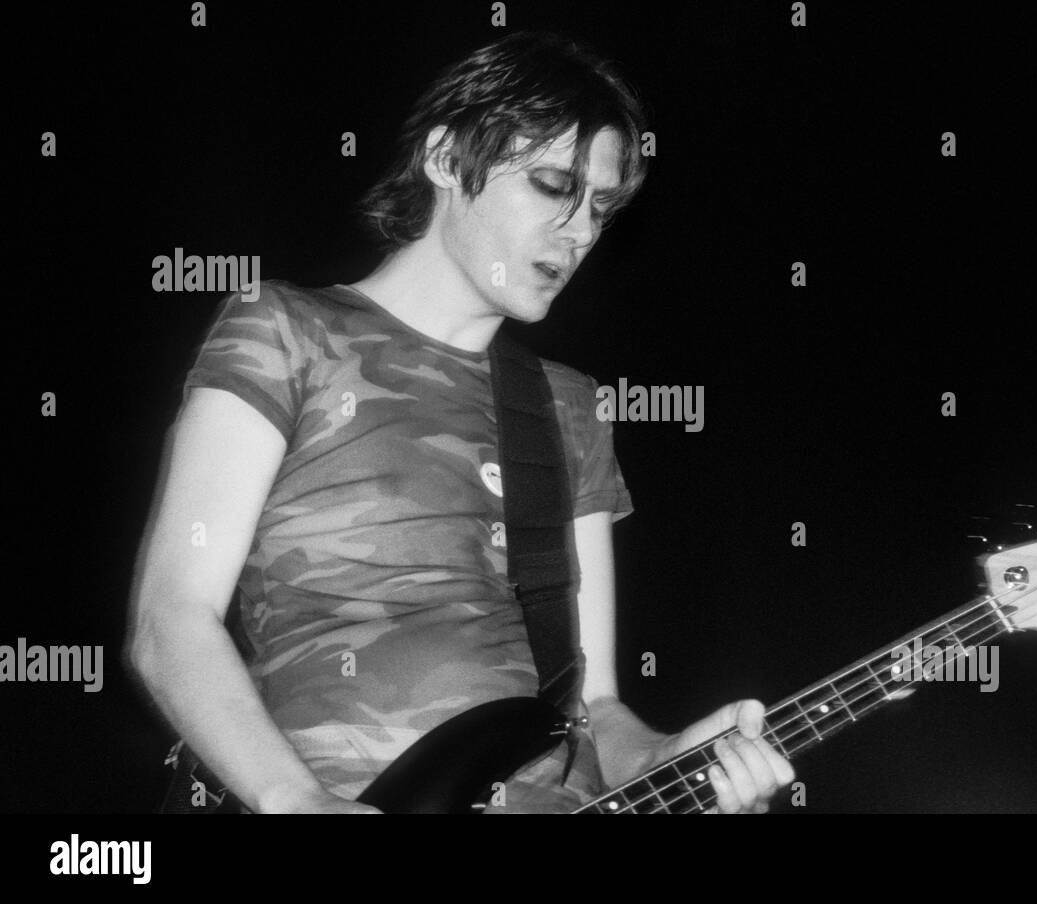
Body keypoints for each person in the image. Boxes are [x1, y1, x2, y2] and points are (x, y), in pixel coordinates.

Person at [125, 30, 793, 814]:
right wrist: (293, 800)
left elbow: (593, 709)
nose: (581, 231)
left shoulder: (567, 405)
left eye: (601, 208)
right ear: (445, 158)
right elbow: (170, 616)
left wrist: (671, 756)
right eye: (552, 185)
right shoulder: (286, 331)